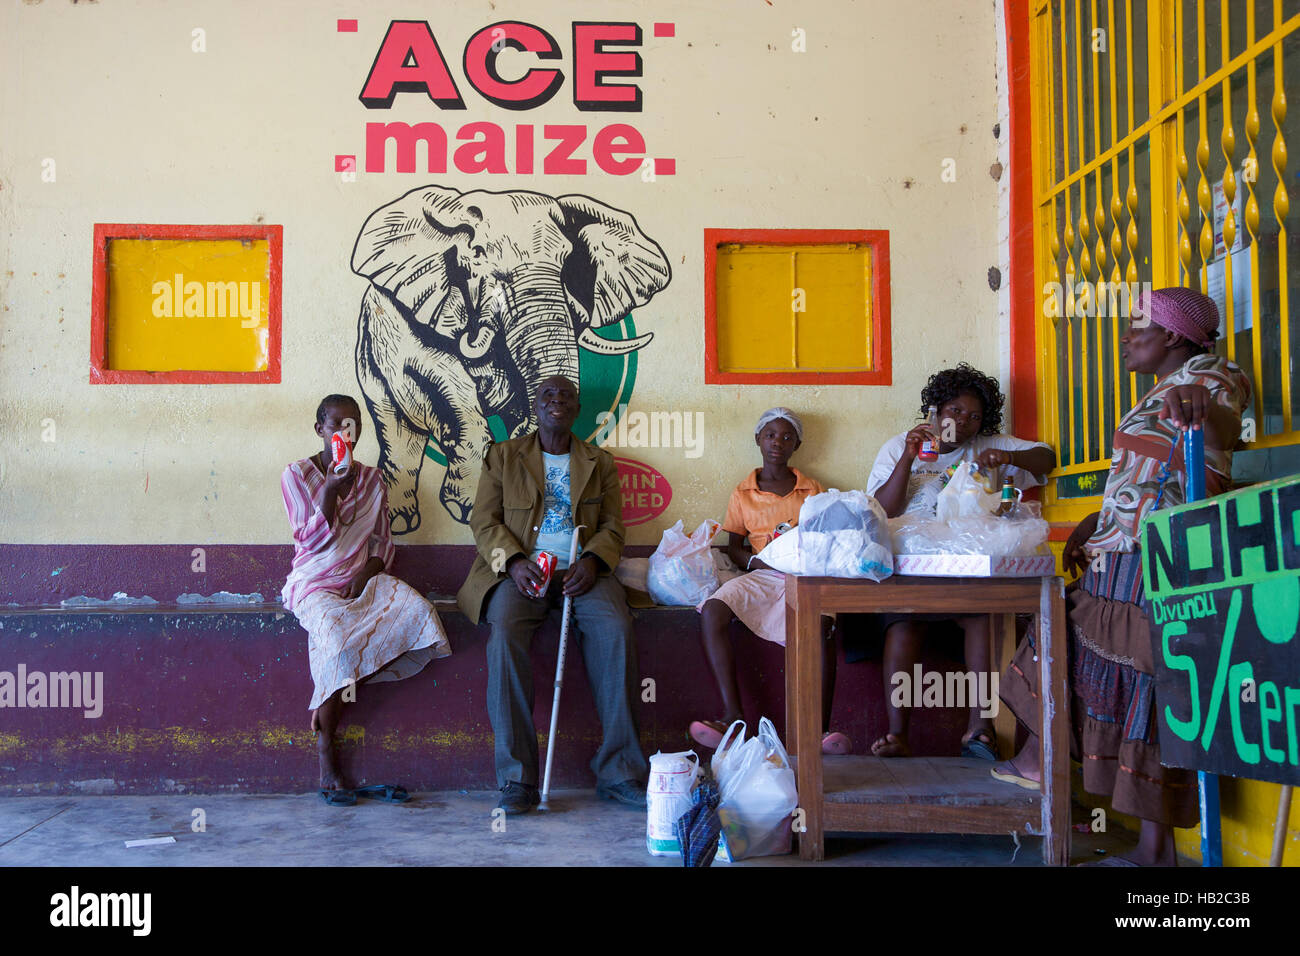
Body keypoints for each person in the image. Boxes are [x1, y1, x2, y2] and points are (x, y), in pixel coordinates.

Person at [991, 287, 1250, 866]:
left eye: (1141, 328)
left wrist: (1203, 408)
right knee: (1091, 664)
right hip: (1122, 550)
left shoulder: (1213, 377)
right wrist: (1095, 519)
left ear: (1175, 338)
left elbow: (1222, 430)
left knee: (1152, 693)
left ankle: (1156, 850)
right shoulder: (1163, 388)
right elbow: (1149, 468)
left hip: (1161, 559)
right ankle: (1048, 768)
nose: (1127, 338)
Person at [458, 375, 648, 815]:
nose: (556, 401)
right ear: (535, 406)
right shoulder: (503, 457)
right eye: (548, 395)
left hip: (582, 573)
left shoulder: (598, 461)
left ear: (577, 408)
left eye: (565, 396)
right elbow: (484, 523)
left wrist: (595, 562)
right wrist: (516, 562)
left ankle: (619, 771)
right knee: (504, 634)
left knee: (617, 629)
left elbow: (613, 526)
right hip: (521, 574)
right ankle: (517, 779)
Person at [867, 364, 1056, 759]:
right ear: (936, 411)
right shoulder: (899, 445)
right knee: (902, 624)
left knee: (980, 619)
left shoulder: (988, 447)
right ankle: (898, 734)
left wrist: (1007, 456)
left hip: (966, 568)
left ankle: (980, 728)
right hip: (911, 568)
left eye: (974, 416)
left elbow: (1046, 459)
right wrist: (907, 455)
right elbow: (883, 510)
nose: (964, 422)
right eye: (955, 411)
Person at [282, 394, 451, 805]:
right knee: (337, 646)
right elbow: (309, 541)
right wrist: (330, 492)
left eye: (352, 426)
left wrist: (368, 573)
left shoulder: (374, 479)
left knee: (420, 613)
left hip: (364, 578)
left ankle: (332, 690)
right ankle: (327, 753)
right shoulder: (297, 475)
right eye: (335, 425)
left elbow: (382, 543)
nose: (344, 433)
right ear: (319, 429)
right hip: (316, 584)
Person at [689, 408, 851, 755]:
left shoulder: (813, 489)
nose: (778, 442)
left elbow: (827, 537)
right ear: (758, 440)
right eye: (771, 435)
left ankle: (819, 730)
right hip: (761, 572)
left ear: (797, 444)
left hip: (805, 575)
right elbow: (733, 545)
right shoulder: (743, 492)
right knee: (714, 609)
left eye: (787, 436)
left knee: (822, 626)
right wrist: (753, 561)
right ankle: (733, 717)